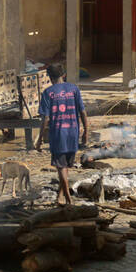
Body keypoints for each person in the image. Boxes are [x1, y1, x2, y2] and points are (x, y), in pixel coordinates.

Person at [38, 63, 87, 205]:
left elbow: (46, 118)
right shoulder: (74, 89)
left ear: (49, 77)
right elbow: (83, 112)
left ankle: (68, 199)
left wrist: (40, 138)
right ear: (63, 75)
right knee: (65, 167)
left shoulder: (48, 93)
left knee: (61, 168)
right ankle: (60, 197)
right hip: (73, 132)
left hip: (58, 134)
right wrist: (86, 132)